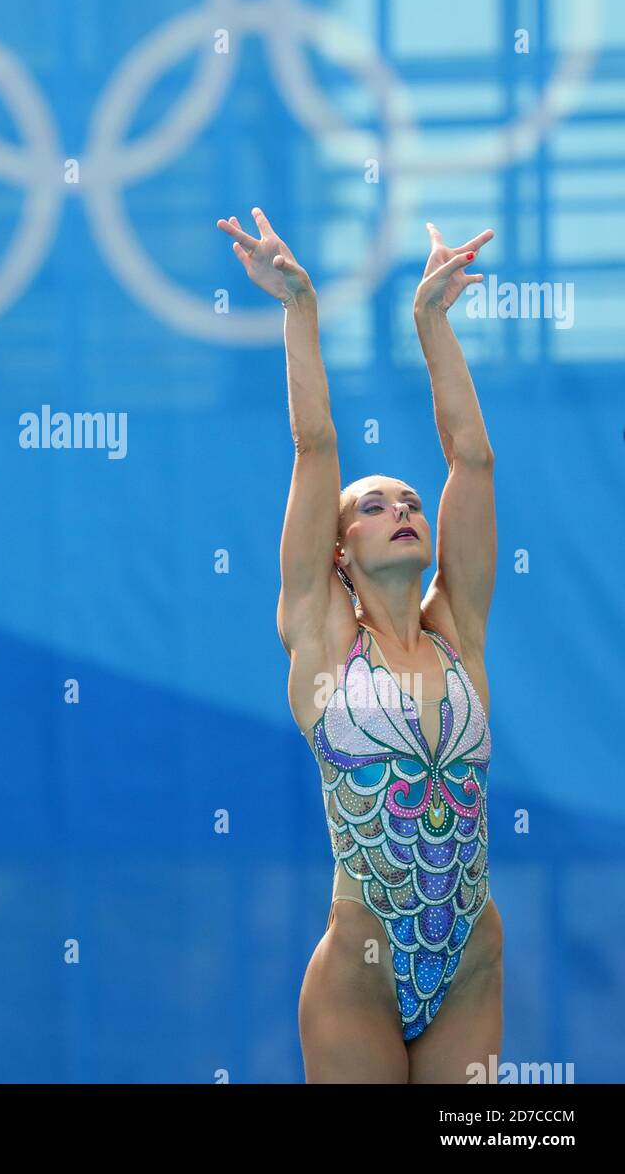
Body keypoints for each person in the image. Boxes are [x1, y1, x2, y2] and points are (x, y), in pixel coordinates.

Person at [217, 208, 503, 1084]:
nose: (403, 512)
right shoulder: (319, 636)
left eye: (409, 501)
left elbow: (472, 460)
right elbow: (315, 444)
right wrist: (299, 310)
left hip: (470, 958)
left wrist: (431, 323)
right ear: (337, 552)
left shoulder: (458, 631)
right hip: (359, 970)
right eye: (373, 506)